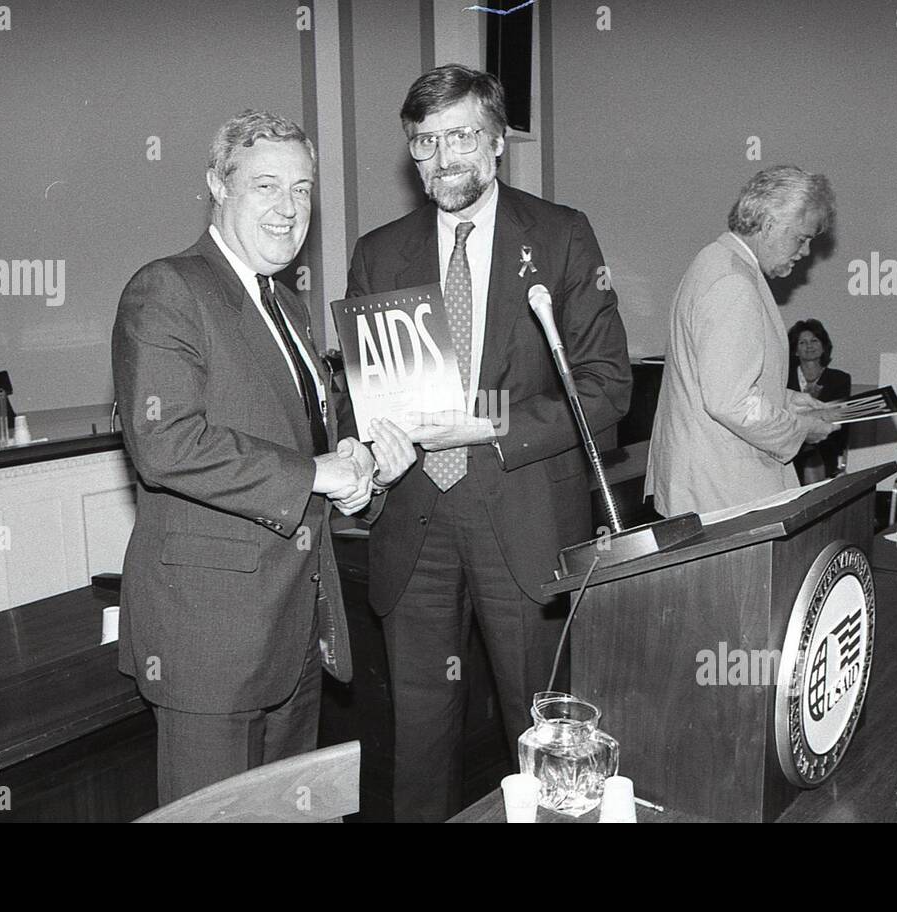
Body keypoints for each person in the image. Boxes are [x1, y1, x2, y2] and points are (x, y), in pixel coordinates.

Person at [345, 64, 631, 822]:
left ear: (499, 141)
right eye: (426, 142)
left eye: (463, 135)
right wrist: (372, 446)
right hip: (415, 528)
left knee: (542, 745)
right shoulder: (378, 253)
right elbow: (370, 397)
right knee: (419, 748)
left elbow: (606, 389)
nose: (446, 158)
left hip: (525, 524)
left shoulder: (563, 235)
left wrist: (491, 423)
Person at [111, 110, 414, 805]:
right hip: (210, 642)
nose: (289, 209)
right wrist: (319, 471)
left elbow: (320, 450)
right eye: (267, 186)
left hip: (295, 632)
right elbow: (166, 446)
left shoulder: (290, 309)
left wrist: (369, 471)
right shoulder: (169, 290)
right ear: (218, 186)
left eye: (303, 189)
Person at [644, 165, 837, 516]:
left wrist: (791, 401)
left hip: (710, 479)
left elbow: (724, 380)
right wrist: (798, 428)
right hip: (720, 489)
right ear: (769, 223)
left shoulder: (715, 261)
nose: (805, 251)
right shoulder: (733, 283)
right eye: (802, 238)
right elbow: (730, 402)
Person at [787, 319, 851, 483]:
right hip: (788, 442)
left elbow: (841, 421)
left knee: (812, 453)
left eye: (814, 341)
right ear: (795, 350)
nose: (809, 346)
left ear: (823, 347)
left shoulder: (839, 379)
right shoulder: (784, 378)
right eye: (803, 342)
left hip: (824, 443)